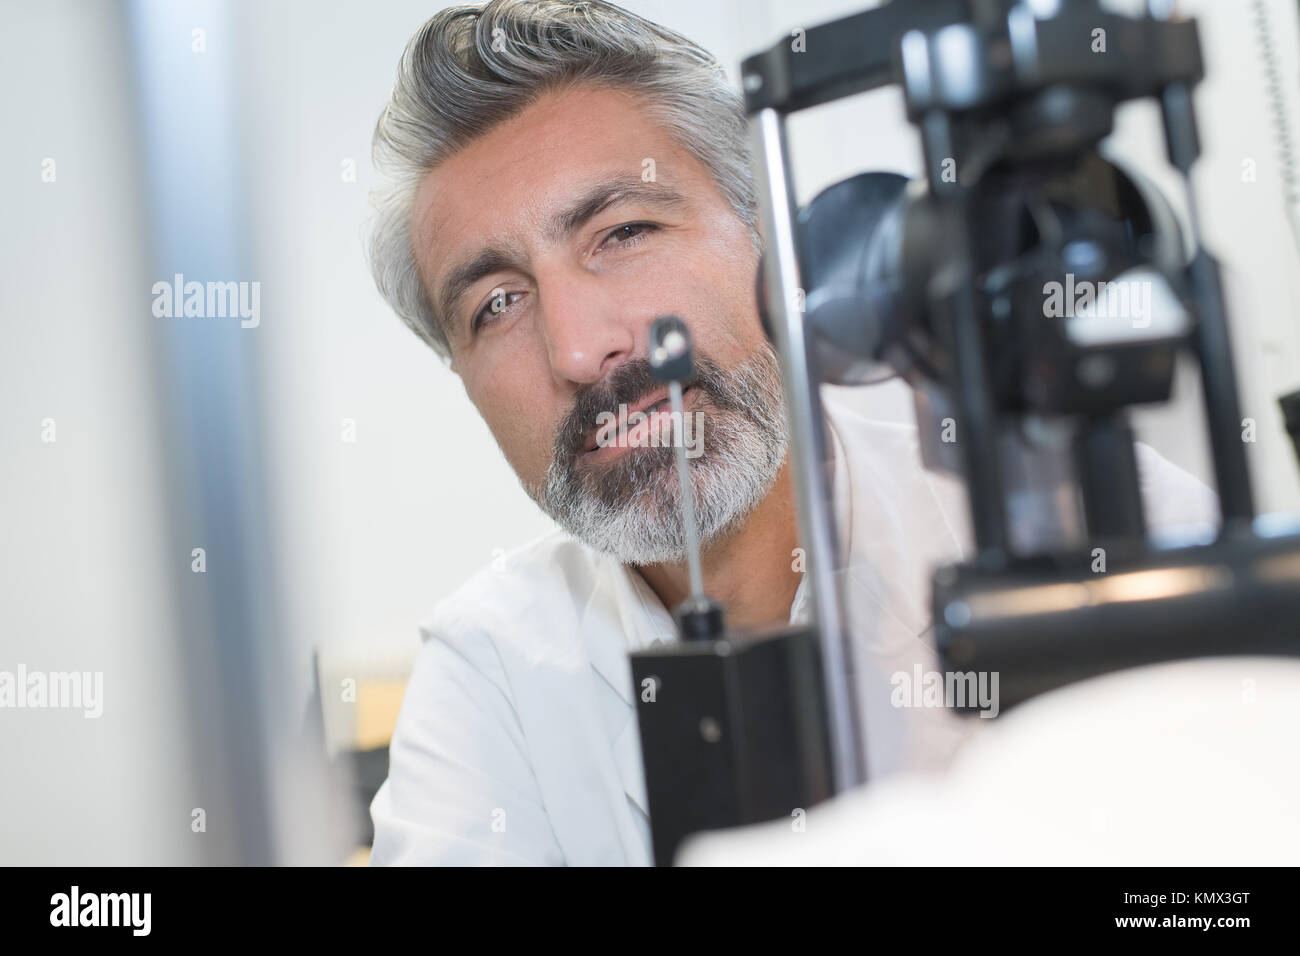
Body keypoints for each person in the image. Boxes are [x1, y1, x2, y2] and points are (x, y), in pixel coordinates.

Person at [364, 0, 1218, 865]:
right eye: (498, 304)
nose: (580, 350)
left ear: (768, 233)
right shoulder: (488, 679)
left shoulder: (1096, 522)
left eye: (622, 232)